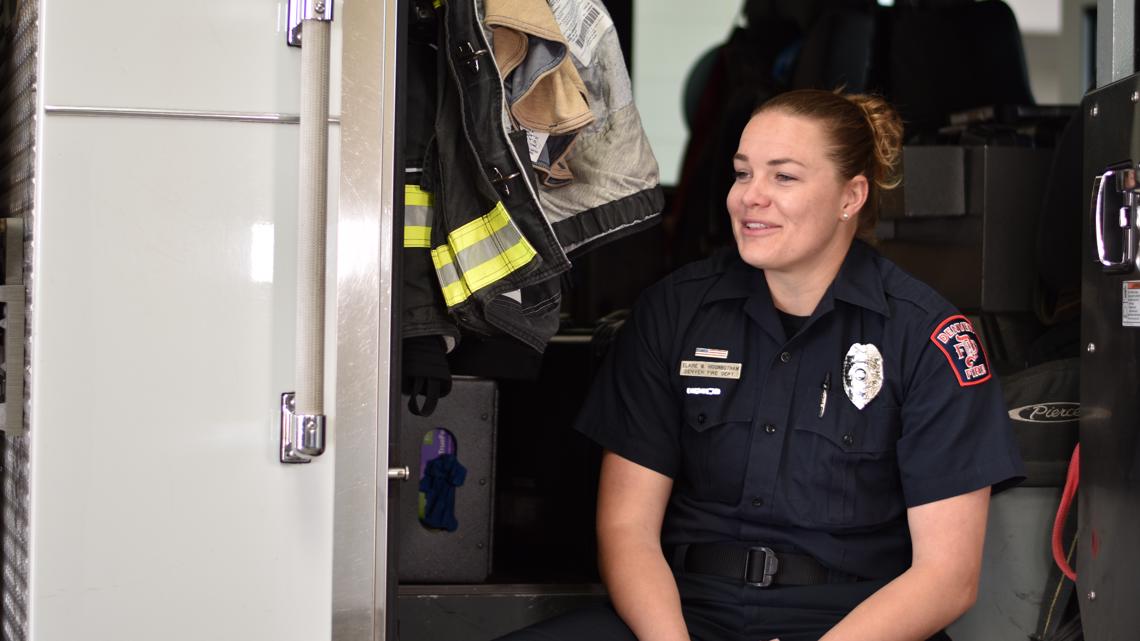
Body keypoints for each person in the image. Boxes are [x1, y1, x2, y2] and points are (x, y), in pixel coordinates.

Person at [495, 89, 1025, 641]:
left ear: (852, 196)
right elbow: (627, 529)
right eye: (743, 173)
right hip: (685, 613)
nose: (752, 197)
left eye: (784, 177)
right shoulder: (674, 311)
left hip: (852, 621)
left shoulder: (927, 337)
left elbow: (947, 578)